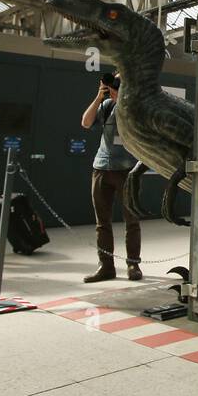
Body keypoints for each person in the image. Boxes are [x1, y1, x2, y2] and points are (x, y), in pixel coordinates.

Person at [81, 74, 141, 282]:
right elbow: (86, 122)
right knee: (102, 222)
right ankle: (106, 266)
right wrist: (99, 98)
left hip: (126, 169)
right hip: (101, 167)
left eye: (119, 83)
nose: (115, 87)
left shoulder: (134, 105)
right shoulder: (105, 105)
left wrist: (121, 100)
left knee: (131, 220)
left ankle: (133, 264)